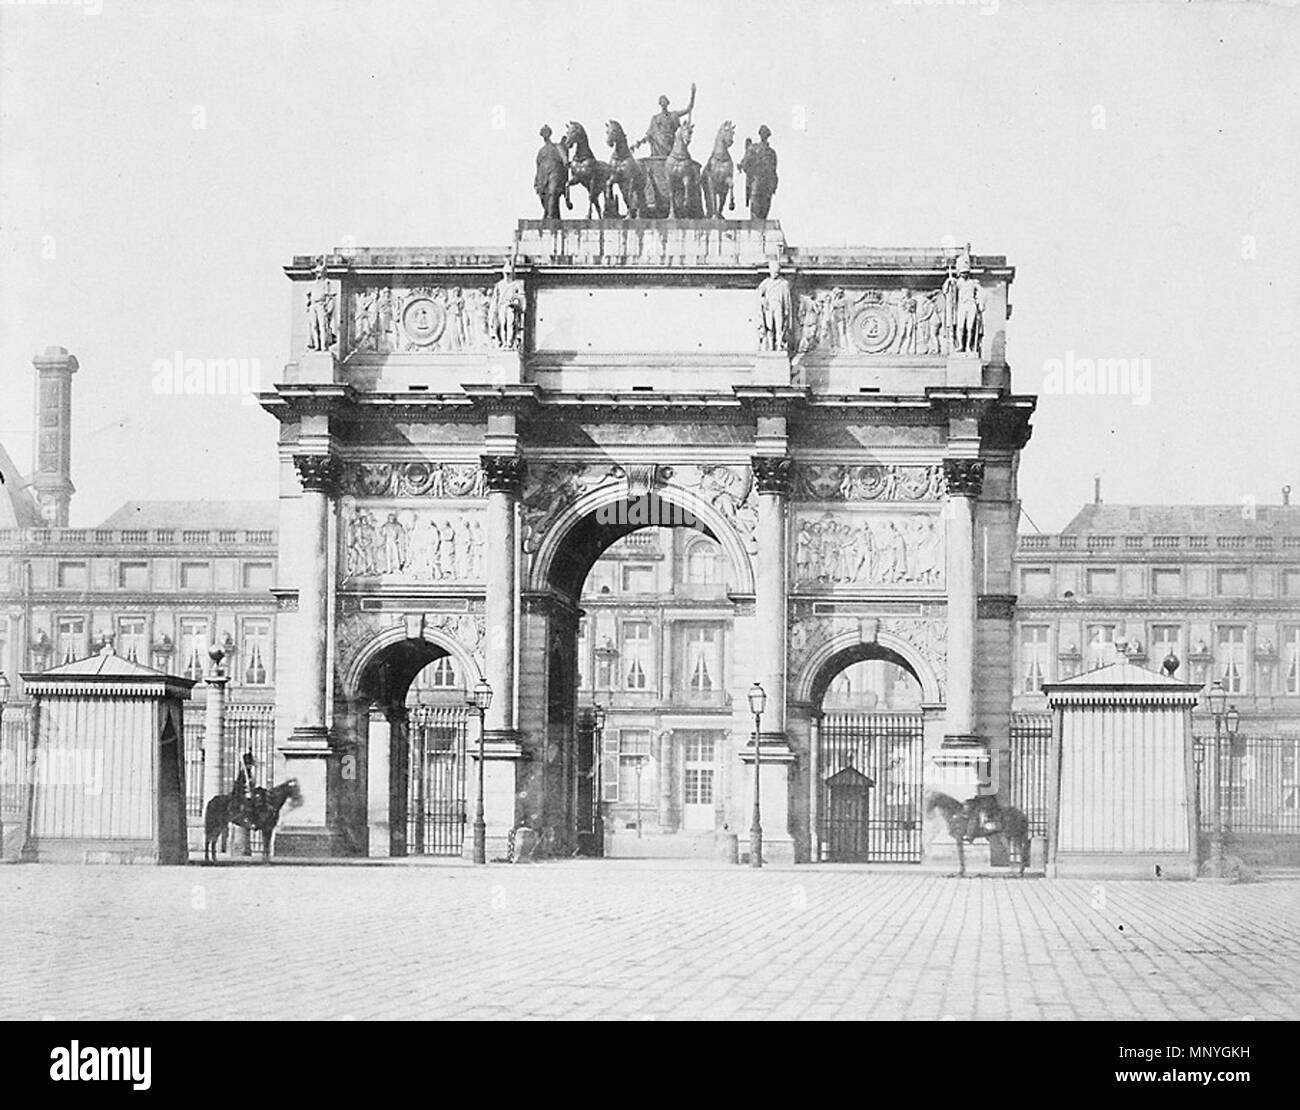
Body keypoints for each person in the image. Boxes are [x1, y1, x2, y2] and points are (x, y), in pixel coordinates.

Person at [634, 84, 697, 157]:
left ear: (667, 103)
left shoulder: (673, 115)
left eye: (665, 101)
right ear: (660, 104)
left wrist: (693, 94)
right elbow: (650, 132)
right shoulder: (655, 118)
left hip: (670, 139)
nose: (663, 103)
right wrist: (641, 141)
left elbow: (688, 109)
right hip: (658, 142)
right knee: (658, 137)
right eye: (662, 102)